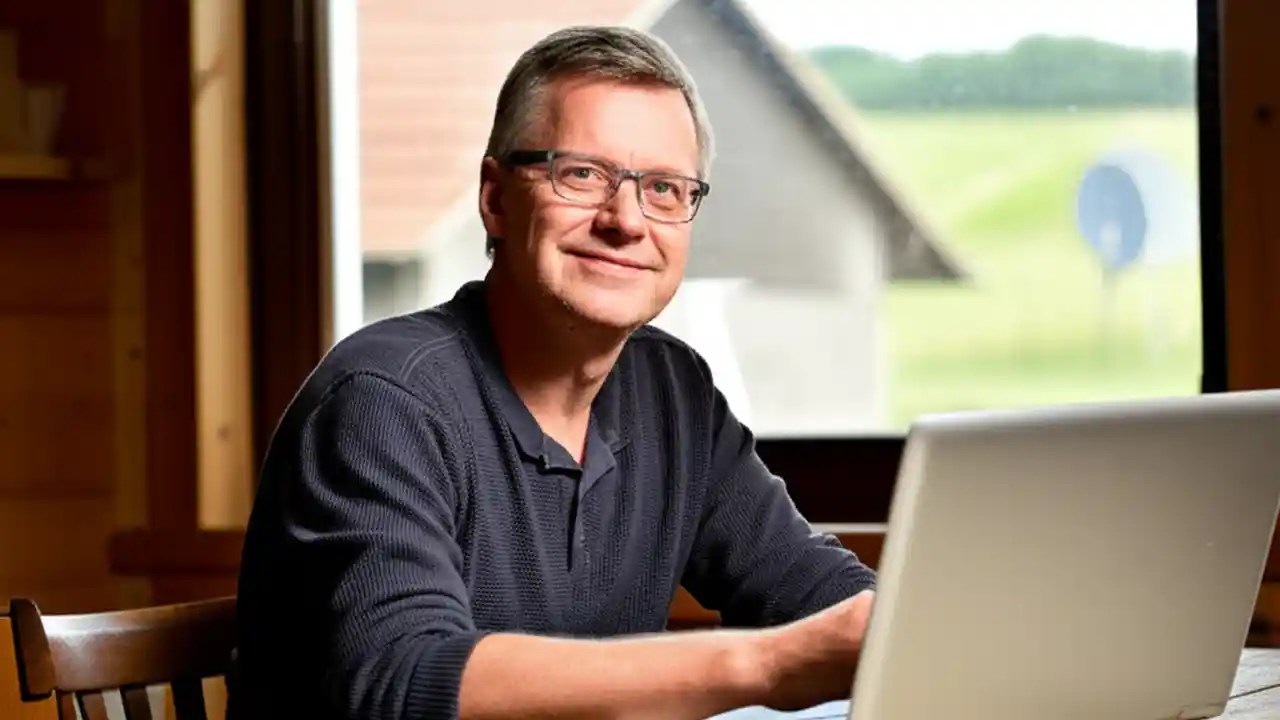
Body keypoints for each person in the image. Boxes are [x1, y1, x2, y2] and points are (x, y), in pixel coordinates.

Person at [230, 25, 877, 720]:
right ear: (496, 197)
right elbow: (404, 682)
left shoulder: (673, 394)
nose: (626, 219)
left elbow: (813, 589)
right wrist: (766, 666)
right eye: (582, 175)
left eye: (663, 188)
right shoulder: (382, 402)